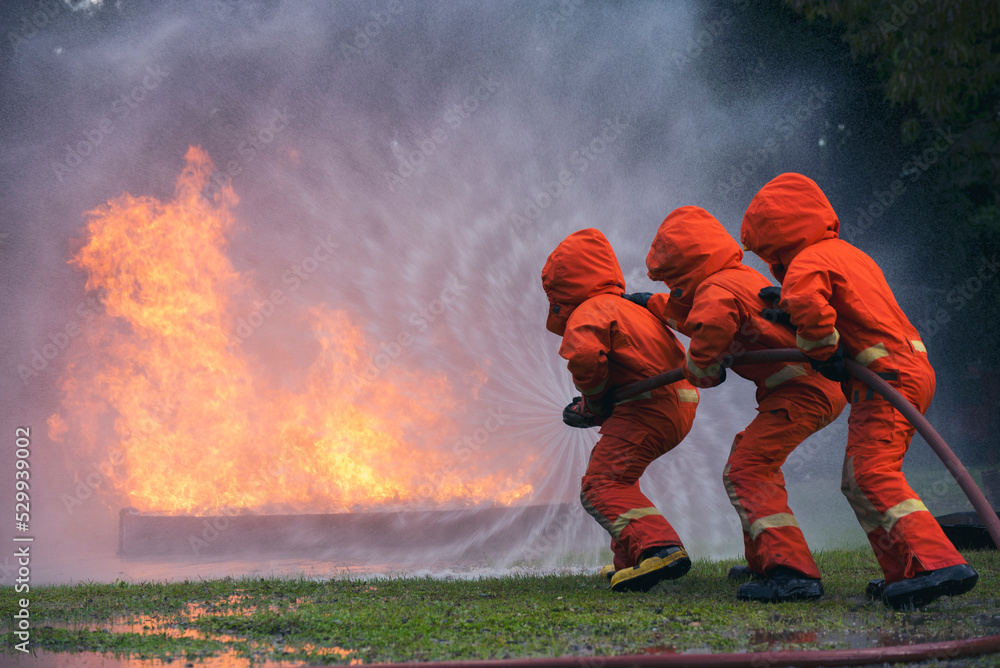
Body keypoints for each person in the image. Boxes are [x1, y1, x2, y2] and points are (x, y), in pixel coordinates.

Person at [740, 172, 978, 609]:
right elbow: (852, 308)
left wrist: (822, 348)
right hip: (907, 370)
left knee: (871, 474)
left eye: (765, 251)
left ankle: (938, 564)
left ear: (776, 240)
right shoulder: (848, 254)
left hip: (886, 377)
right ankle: (904, 574)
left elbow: (812, 309)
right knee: (857, 479)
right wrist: (790, 315)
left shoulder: (805, 263)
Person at [633, 205, 846, 603]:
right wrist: (653, 304)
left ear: (689, 266)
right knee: (746, 459)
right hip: (804, 389)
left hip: (802, 392)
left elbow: (707, 340)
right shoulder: (735, 278)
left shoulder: (717, 291)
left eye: (673, 278)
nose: (673, 286)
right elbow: (698, 314)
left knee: (748, 469)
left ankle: (792, 573)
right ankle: (764, 560)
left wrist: (702, 371)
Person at [542, 228, 700, 593]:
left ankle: (659, 549)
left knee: (600, 484)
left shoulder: (588, 311)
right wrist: (596, 407)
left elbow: (585, 360)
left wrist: (593, 405)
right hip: (677, 402)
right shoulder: (629, 307)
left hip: (648, 408)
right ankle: (630, 559)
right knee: (619, 478)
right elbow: (634, 366)